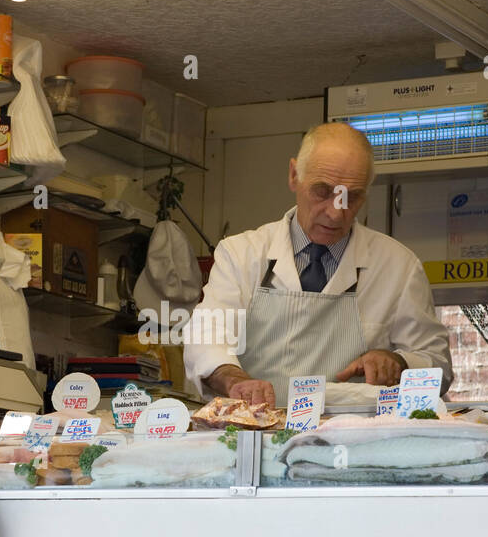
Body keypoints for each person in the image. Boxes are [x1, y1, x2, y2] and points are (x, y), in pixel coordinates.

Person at [185, 122, 453, 405]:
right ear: (293, 176)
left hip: (351, 440)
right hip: (254, 438)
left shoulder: (399, 267)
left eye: (352, 196)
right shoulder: (241, 254)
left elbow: (438, 364)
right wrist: (234, 379)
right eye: (323, 191)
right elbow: (207, 338)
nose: (336, 214)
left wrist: (398, 361)